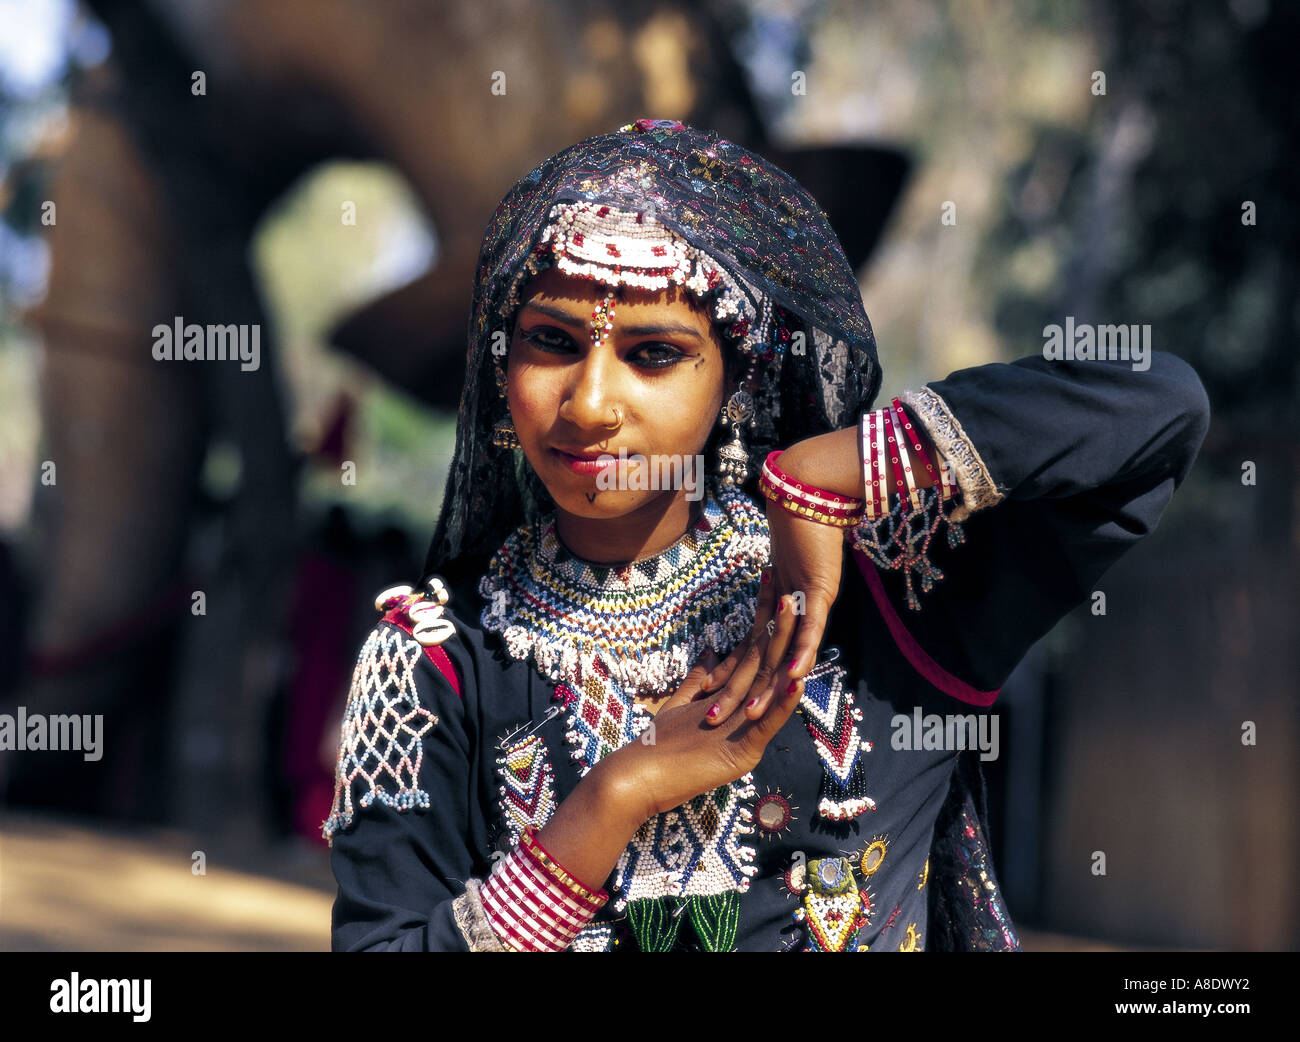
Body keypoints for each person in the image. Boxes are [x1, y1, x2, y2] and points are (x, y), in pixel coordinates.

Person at [322, 118, 1210, 952]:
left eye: (655, 354)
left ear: (734, 382)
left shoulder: (885, 592)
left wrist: (832, 472)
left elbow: (1161, 409)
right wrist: (611, 798)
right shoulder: (435, 657)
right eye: (550, 341)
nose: (589, 406)